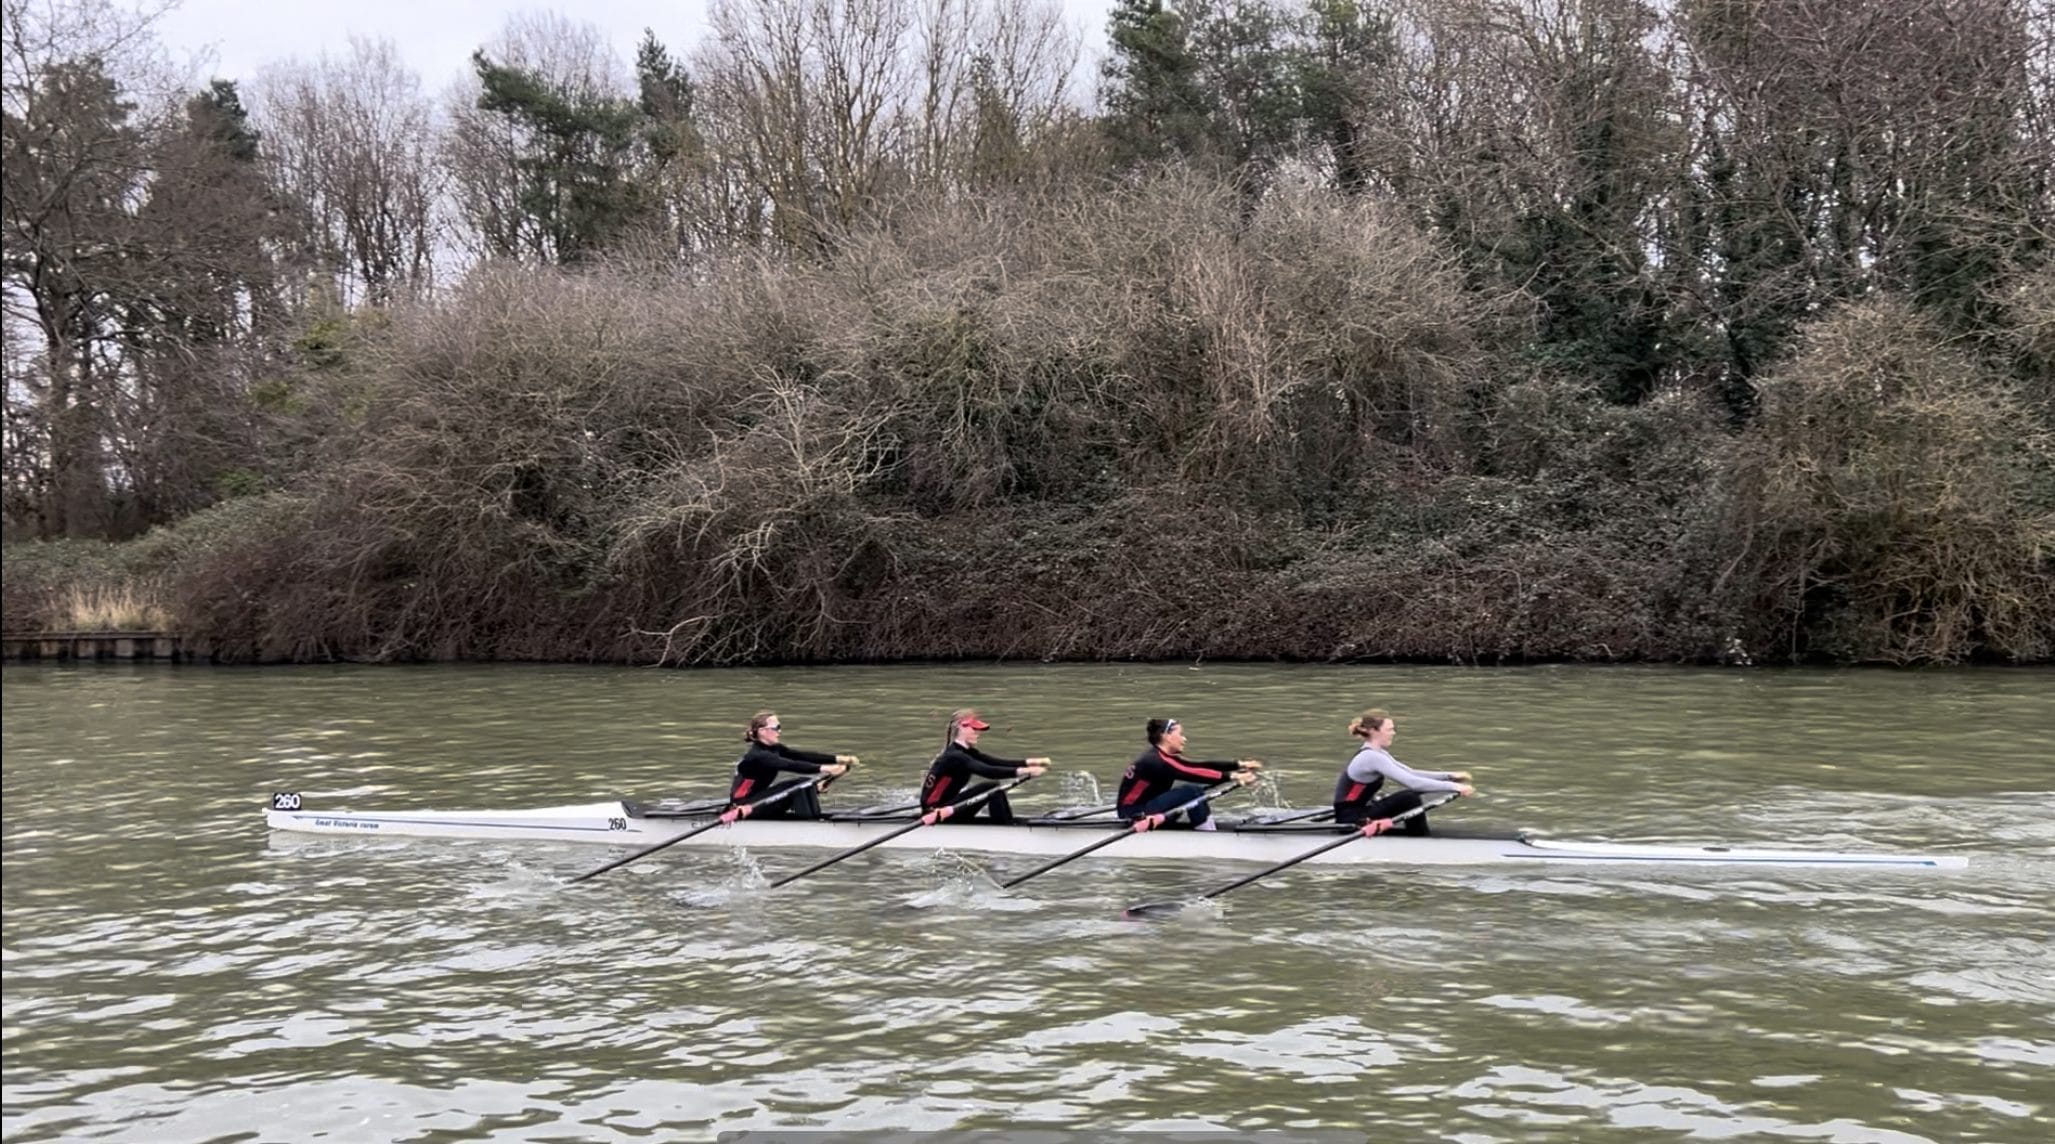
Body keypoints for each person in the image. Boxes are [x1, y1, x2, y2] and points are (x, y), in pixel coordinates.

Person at [1332, 709, 1472, 834]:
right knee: (1409, 798)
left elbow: (1411, 773)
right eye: (1389, 729)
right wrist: (1454, 787)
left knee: (1408, 796)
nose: (1393, 733)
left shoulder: (1378, 753)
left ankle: (1418, 835)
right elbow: (1412, 783)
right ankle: (1419, 838)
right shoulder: (1371, 757)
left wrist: (1449, 776)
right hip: (1351, 819)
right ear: (1374, 731)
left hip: (1360, 811)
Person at [1115, 718, 1261, 832]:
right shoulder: (1155, 761)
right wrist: (1233, 776)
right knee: (1192, 791)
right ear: (1166, 736)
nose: (1184, 739)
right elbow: (1191, 772)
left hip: (1147, 808)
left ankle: (1204, 826)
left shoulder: (1161, 757)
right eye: (1180, 734)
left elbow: (1198, 766)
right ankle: (1207, 835)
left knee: (1195, 788)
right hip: (1134, 814)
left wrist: (1239, 765)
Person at [919, 709, 1049, 825]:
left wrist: (1030, 762)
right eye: (974, 729)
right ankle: (1005, 830)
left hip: (949, 809)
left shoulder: (965, 752)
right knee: (991, 787)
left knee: (994, 788)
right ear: (962, 728)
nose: (978, 733)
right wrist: (1025, 771)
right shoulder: (955, 756)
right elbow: (988, 771)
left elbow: (994, 762)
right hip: (936, 813)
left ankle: (1008, 824)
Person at [727, 711, 856, 820]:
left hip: (759, 800)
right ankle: (810, 825)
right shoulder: (757, 755)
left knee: (804, 783)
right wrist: (826, 768)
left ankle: (813, 813)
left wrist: (838, 759)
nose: (779, 731)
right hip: (743, 806)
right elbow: (790, 765)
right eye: (776, 728)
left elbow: (801, 756)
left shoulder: (775, 748)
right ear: (762, 731)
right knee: (800, 784)